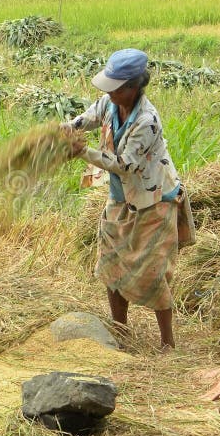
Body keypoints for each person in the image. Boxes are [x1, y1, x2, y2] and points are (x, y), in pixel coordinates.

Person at [63, 48, 182, 349]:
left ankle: (167, 343)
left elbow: (125, 165)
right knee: (111, 266)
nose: (109, 93)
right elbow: (88, 118)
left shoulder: (147, 121)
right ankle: (120, 331)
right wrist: (65, 130)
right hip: (120, 199)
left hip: (153, 200)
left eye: (115, 88)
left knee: (153, 272)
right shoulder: (110, 103)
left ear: (132, 87)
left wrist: (83, 152)